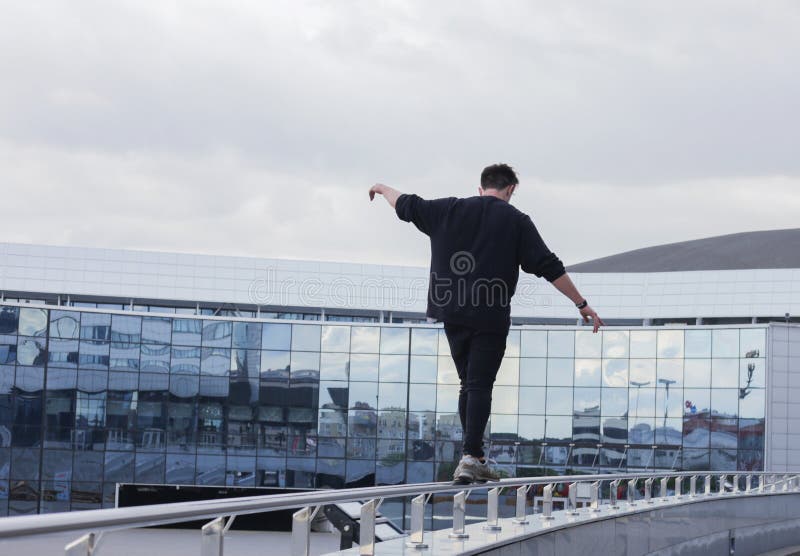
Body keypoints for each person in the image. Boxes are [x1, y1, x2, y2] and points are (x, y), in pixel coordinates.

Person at [369, 163, 604, 484]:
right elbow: (548, 265)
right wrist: (581, 303)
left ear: (481, 188)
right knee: (479, 384)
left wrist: (382, 188)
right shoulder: (516, 221)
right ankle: (470, 457)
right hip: (490, 313)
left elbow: (407, 204)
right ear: (510, 190)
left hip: (450, 311)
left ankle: (475, 456)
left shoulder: (448, 210)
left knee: (469, 383)